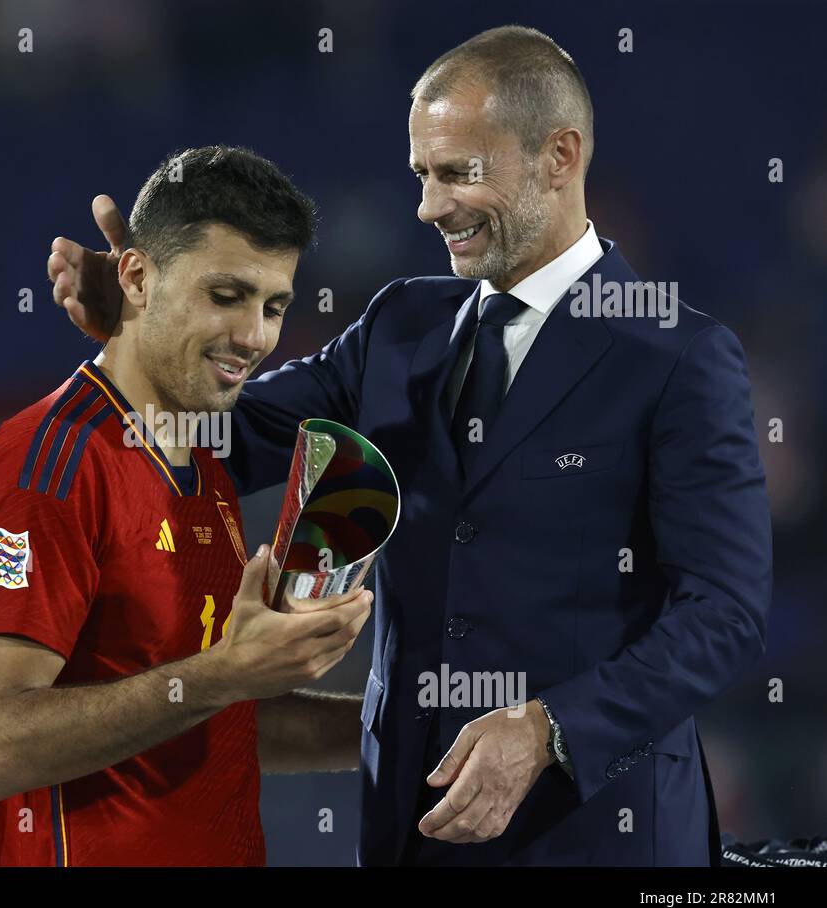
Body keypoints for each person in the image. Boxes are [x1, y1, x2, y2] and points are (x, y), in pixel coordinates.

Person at [48, 27, 772, 865]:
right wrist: (142, 338)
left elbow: (725, 615)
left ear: (559, 157)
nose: (430, 207)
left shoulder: (676, 356)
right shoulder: (403, 323)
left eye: (459, 173)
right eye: (422, 176)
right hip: (409, 830)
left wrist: (548, 729)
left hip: (597, 831)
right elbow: (220, 442)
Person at [0, 146, 372, 866]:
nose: (255, 338)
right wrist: (228, 672)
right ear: (138, 276)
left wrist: (399, 731)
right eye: (226, 295)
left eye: (273, 306)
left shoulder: (203, 462)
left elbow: (204, 719)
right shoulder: (46, 468)